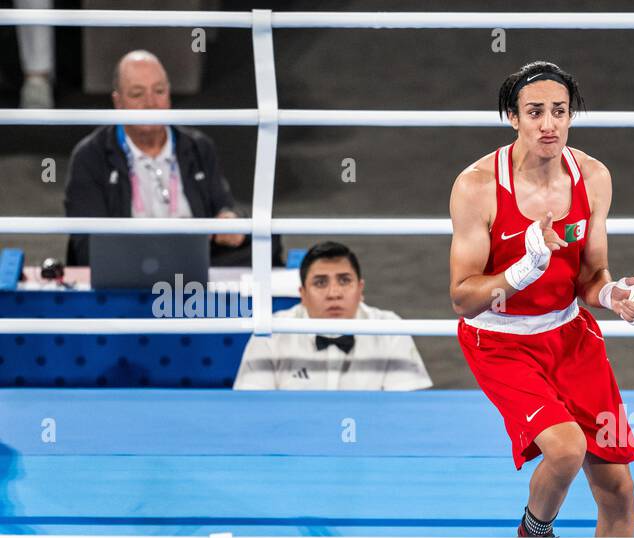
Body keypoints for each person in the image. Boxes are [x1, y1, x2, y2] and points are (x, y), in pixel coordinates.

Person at [448, 61, 634, 538]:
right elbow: (461, 296)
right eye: (534, 111)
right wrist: (518, 272)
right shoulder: (478, 185)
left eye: (559, 110)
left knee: (617, 488)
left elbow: (592, 276)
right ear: (512, 116)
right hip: (501, 342)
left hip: (570, 336)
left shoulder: (592, 177)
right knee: (564, 448)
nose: (548, 123)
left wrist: (614, 295)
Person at [62, 50, 274, 268]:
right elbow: (86, 248)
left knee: (268, 242)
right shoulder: (90, 156)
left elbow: (224, 207)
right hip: (130, 270)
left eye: (159, 91)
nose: (150, 103)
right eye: (137, 94)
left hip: (197, 267)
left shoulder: (198, 147)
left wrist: (230, 220)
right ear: (118, 102)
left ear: (169, 95)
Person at [233, 241, 432, 391]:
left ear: (360, 289)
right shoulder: (271, 332)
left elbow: (406, 411)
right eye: (320, 283)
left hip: (370, 439)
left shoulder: (391, 329)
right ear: (302, 293)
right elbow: (253, 410)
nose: (334, 293)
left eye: (344, 281)